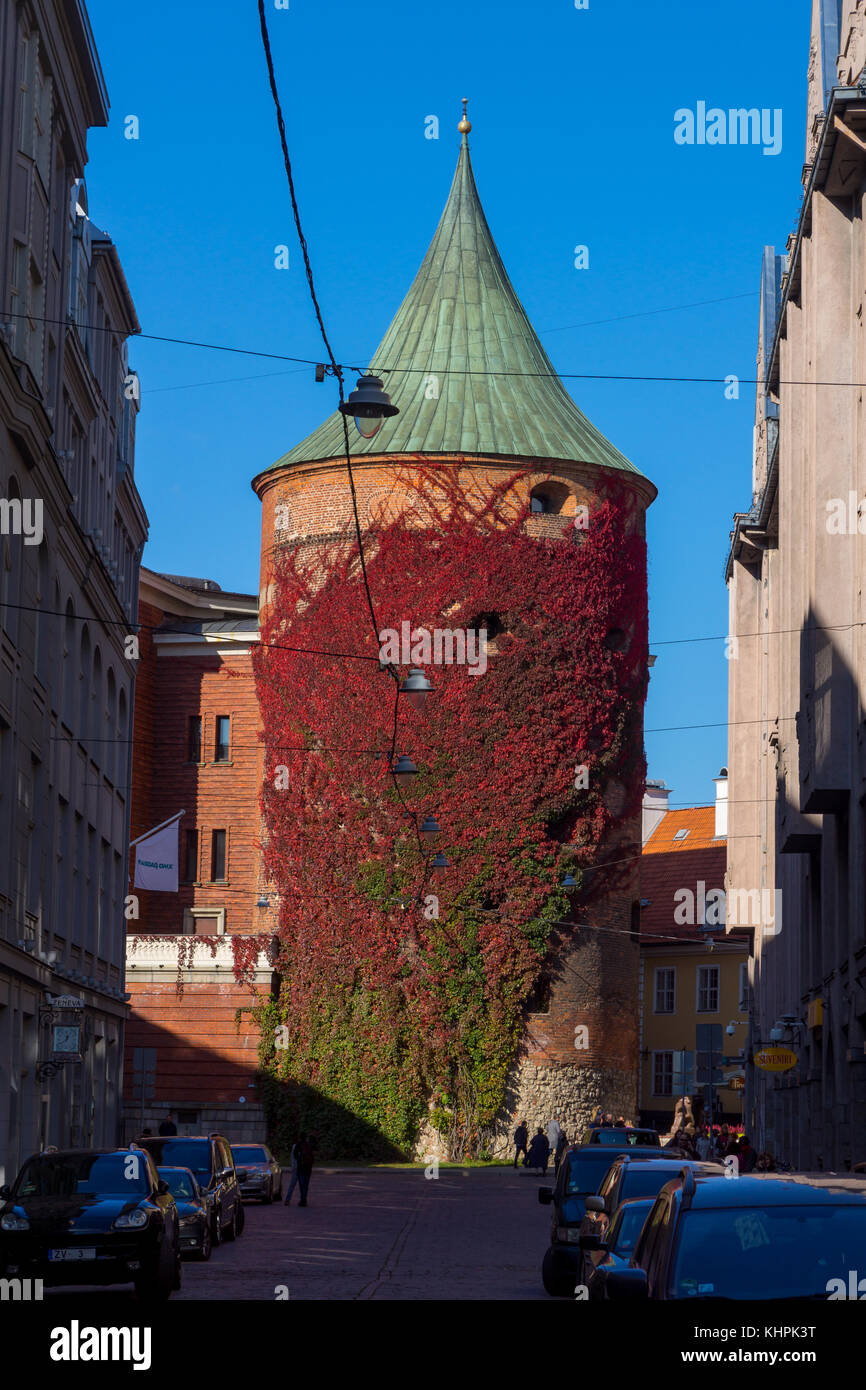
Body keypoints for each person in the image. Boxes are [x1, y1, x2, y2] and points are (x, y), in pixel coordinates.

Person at [296, 1133, 315, 1207]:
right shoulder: (309, 1145)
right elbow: (312, 1157)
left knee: (301, 1184)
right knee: (306, 1185)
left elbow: (295, 1155)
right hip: (308, 1168)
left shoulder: (298, 1145)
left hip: (301, 1168)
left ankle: (302, 1199)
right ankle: (304, 1199)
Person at [284, 1132, 303, 1205]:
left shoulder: (295, 1146)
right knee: (302, 1185)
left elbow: (293, 1158)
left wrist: (293, 1167)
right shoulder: (303, 1146)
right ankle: (303, 1199)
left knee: (292, 1185)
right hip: (301, 1168)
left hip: (296, 1168)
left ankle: (288, 1199)